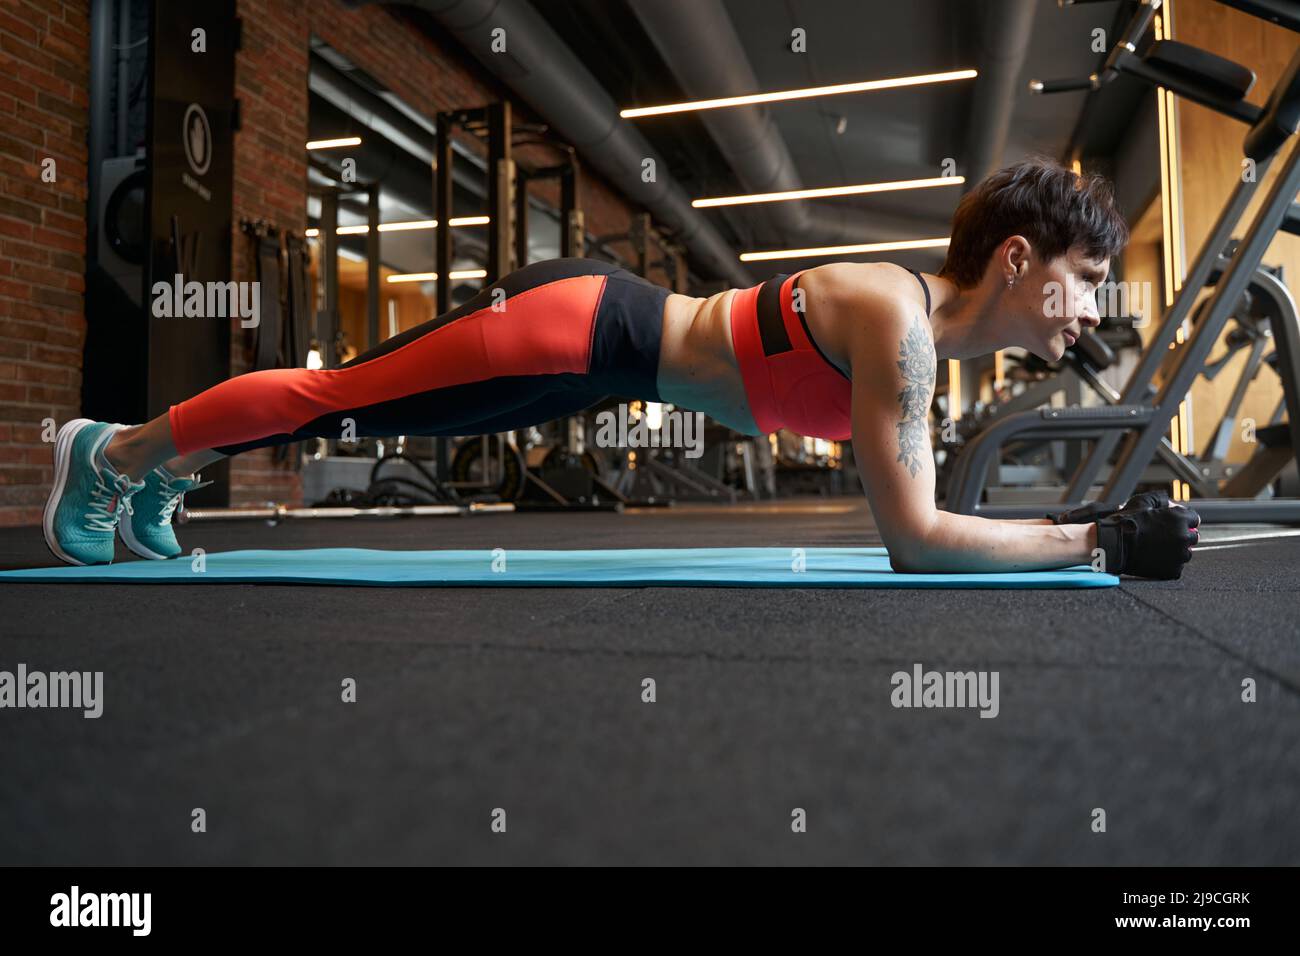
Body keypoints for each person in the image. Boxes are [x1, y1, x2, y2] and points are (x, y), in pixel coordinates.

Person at [45, 158, 1198, 576]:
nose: (1091, 305)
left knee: (344, 405)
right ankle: (117, 451)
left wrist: (1086, 530)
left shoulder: (916, 345)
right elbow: (916, 541)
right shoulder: (896, 323)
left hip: (607, 356)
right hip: (585, 327)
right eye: (1088, 276)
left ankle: (156, 469)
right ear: (1016, 259)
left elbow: (927, 520)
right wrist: (1096, 535)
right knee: (336, 399)